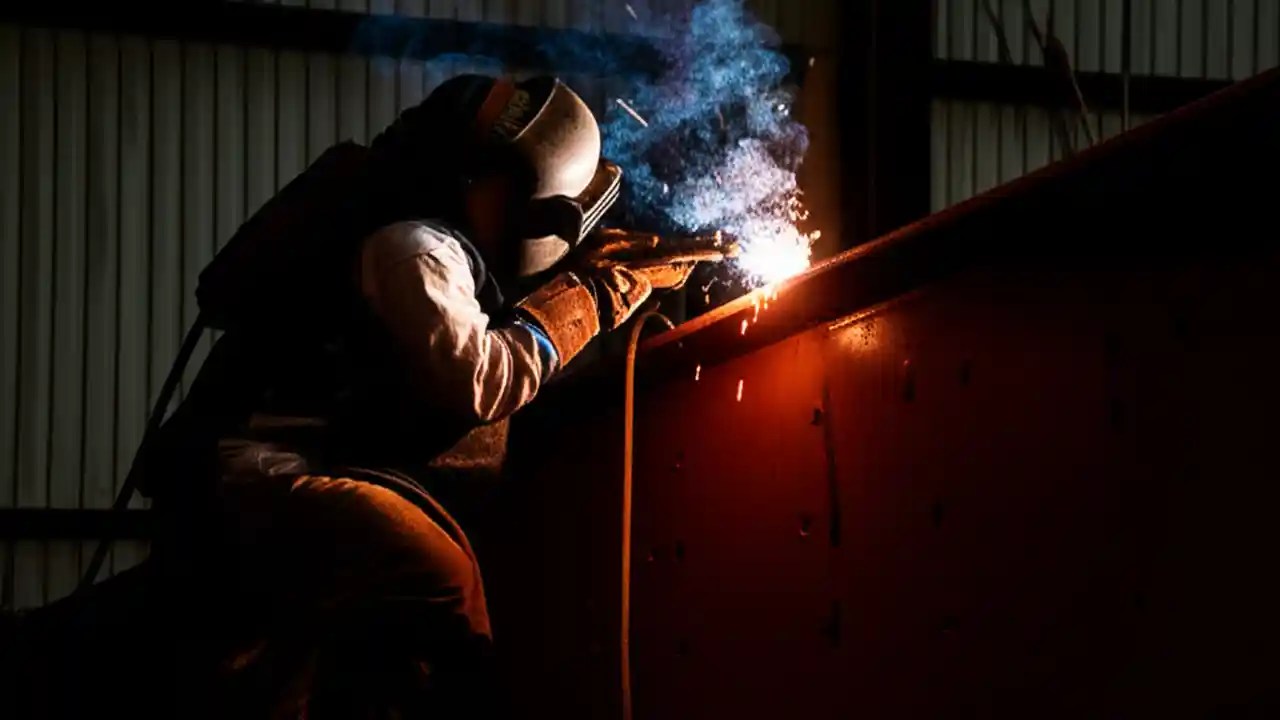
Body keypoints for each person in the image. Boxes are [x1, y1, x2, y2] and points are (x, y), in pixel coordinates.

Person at [4, 74, 671, 719]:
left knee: (280, 675)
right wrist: (592, 296)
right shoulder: (414, 248)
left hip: (302, 467)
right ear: (481, 178)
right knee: (438, 578)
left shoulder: (423, 237)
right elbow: (482, 379)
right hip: (270, 474)